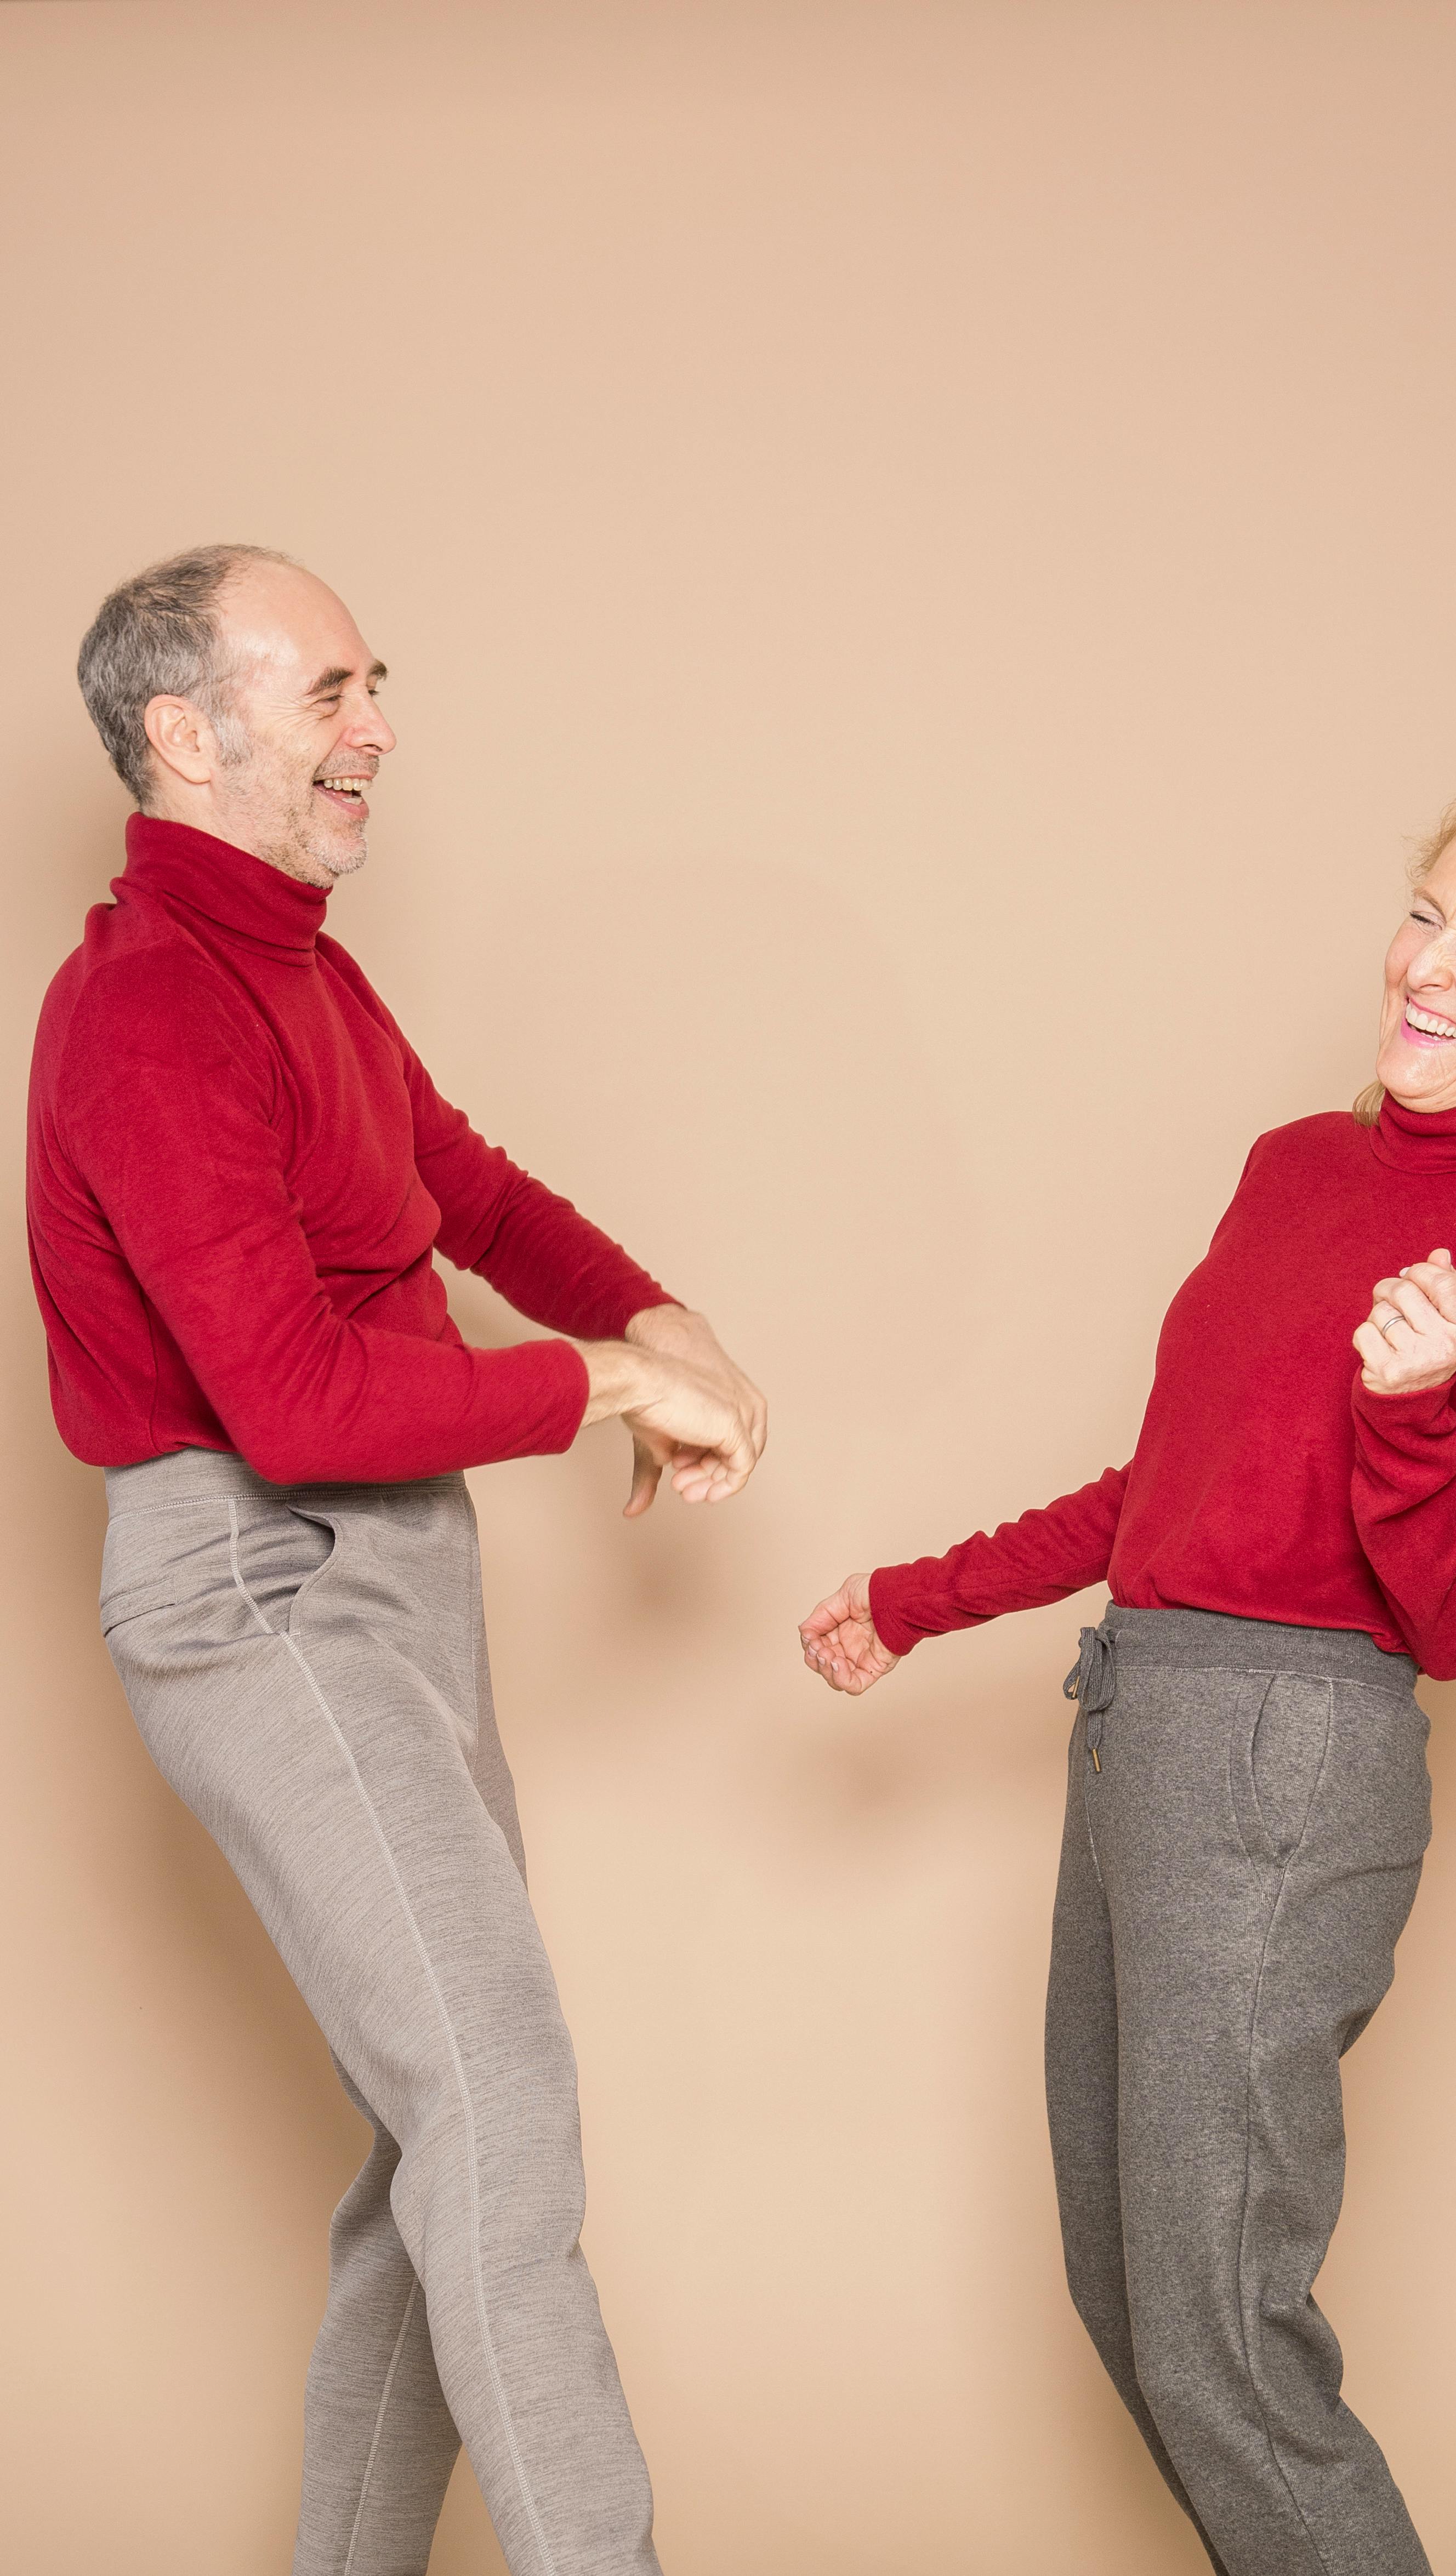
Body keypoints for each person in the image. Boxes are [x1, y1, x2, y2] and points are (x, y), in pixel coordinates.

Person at [799, 791, 1456, 2576]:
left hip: (1292, 1759)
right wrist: (923, 1597)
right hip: (1142, 1713)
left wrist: (1414, 1412)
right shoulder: (1297, 1164)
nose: (1428, 967)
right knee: (1132, 2282)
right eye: (1427, 914)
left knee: (1218, 2319)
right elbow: (1175, 1483)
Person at [28, 544, 766, 2576]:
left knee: (434, 2137)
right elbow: (294, 1404)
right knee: (498, 2100)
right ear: (186, 736)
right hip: (256, 1585)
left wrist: (661, 1316)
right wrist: (606, 1383)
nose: (376, 730)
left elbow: (469, 1191)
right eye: (330, 691)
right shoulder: (148, 1010)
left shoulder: (305, 972)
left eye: (377, 683)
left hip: (397, 1580)